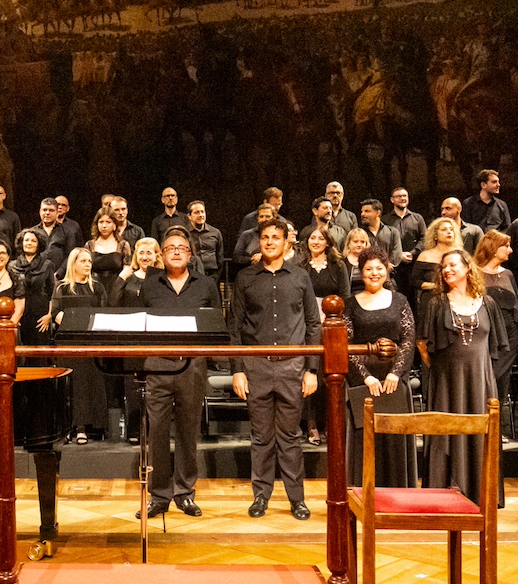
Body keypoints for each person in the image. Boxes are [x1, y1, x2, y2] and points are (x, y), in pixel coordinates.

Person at [230, 220, 321, 520]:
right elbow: (235, 327)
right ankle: (261, 496)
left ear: (287, 243)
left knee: (291, 437)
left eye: (276, 237)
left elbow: (313, 324)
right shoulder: (244, 278)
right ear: (258, 241)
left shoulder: (300, 276)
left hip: (293, 367)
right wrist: (237, 370)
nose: (270, 242)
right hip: (255, 367)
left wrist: (312, 369)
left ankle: (297, 499)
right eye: (265, 237)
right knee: (261, 437)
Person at [137, 227, 222, 518]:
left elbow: (216, 325)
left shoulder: (206, 285)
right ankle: (160, 495)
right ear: (161, 255)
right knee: (157, 432)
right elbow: (138, 327)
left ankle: (184, 493)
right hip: (156, 367)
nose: (175, 251)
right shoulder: (149, 286)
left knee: (188, 431)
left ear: (190, 255)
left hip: (192, 368)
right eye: (170, 247)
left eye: (181, 247)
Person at [415, 249, 511, 507]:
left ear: (468, 268)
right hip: (446, 381)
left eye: (452, 265)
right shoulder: (436, 302)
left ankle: (481, 492)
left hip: (480, 380)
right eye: (444, 267)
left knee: (480, 434)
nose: (447, 270)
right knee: (444, 430)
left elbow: (498, 345)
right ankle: (441, 494)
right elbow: (423, 344)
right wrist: (442, 369)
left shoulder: (487, 303)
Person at [343, 246, 418, 488]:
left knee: (394, 436)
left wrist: (396, 373)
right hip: (364, 379)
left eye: (378, 268)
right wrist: (365, 378)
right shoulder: (350, 304)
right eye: (368, 269)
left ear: (386, 271)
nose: (374, 273)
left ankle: (397, 493)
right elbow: (346, 344)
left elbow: (408, 339)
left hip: (393, 378)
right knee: (363, 437)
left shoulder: (400, 300)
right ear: (360, 272)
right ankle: (362, 492)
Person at [52, 247, 107, 444]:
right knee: (70, 385)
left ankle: (83, 427)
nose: (87, 265)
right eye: (83, 261)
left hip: (90, 342)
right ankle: (67, 428)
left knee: (86, 385)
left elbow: (103, 314)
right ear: (73, 263)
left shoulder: (97, 288)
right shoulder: (62, 288)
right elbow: (56, 313)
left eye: (89, 262)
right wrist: (74, 324)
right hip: (69, 342)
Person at [474, 229, 518, 401]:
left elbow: (516, 305)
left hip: (509, 335)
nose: (510, 250)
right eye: (506, 246)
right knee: (485, 378)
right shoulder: (475, 273)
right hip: (485, 333)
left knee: (500, 379)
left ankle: (497, 423)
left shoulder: (508, 274)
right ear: (494, 248)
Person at [11, 228, 58, 349]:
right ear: (21, 243)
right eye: (26, 240)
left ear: (39, 244)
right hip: (19, 315)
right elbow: (9, 293)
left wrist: (49, 316)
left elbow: (52, 292)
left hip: (41, 317)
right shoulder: (12, 266)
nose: (29, 243)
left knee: (39, 352)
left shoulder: (47, 264)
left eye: (33, 241)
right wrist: (13, 316)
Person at [411, 217, 461, 309]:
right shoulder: (425, 255)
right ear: (435, 235)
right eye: (444, 229)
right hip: (431, 301)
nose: (449, 232)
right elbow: (415, 281)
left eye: (451, 229)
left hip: (456, 299)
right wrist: (436, 286)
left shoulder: (459, 255)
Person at [88, 207, 131, 299]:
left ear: (114, 225)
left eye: (108, 222)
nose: (104, 226)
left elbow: (127, 269)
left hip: (117, 290)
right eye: (101, 222)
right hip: (94, 290)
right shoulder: (90, 245)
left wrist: (117, 288)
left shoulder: (122, 245)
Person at [25, 197, 70, 273]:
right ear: (40, 211)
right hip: (36, 275)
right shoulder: (32, 232)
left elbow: (70, 255)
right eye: (44, 210)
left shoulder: (66, 231)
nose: (47, 213)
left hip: (60, 277)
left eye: (51, 210)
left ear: (57, 213)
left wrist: (59, 273)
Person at [461, 168, 510, 233]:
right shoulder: (468, 203)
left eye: (498, 182)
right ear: (483, 185)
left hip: (497, 241)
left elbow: (507, 228)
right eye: (494, 182)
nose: (498, 185)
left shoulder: (502, 205)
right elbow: (466, 227)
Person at [187, 200, 223, 281]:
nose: (201, 215)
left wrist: (216, 277)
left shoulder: (215, 232)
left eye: (202, 212)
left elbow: (220, 258)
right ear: (189, 216)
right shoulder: (184, 234)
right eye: (196, 212)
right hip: (192, 277)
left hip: (212, 276)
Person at [339, 227, 373, 295]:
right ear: (348, 243)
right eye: (355, 241)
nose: (359, 245)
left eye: (362, 242)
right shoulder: (341, 262)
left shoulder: (371, 262)